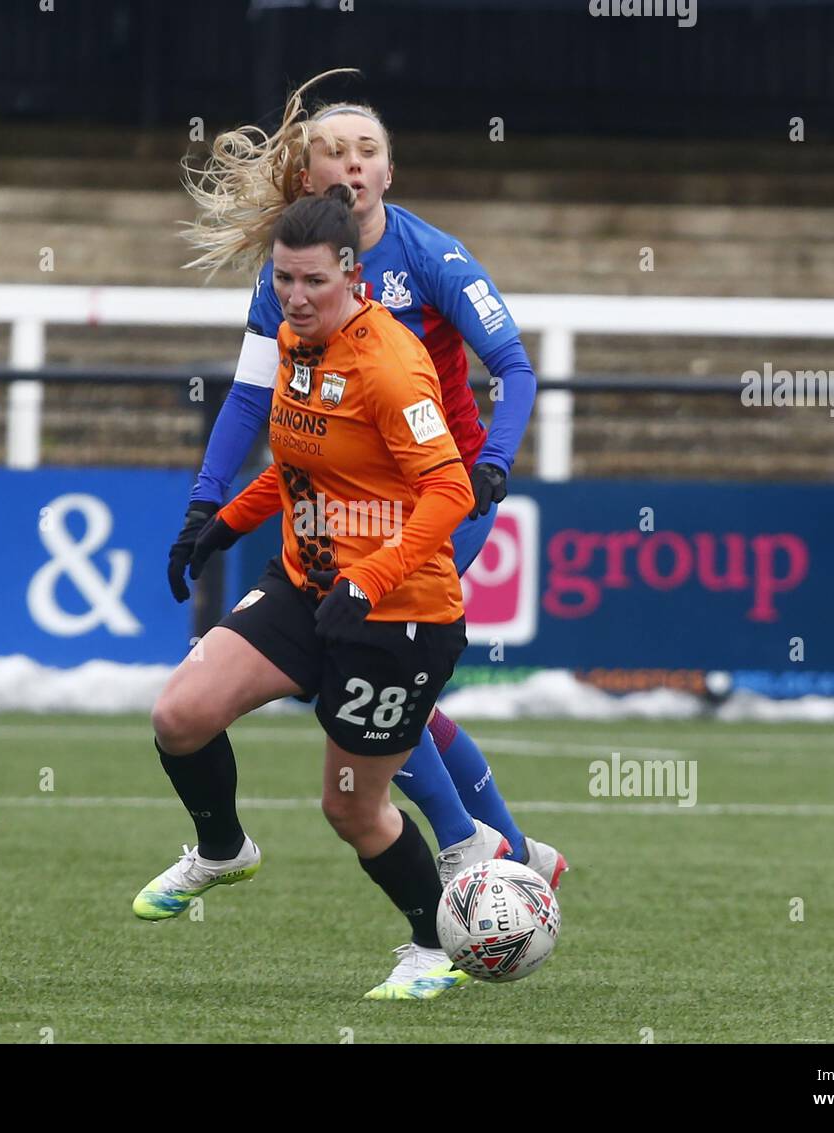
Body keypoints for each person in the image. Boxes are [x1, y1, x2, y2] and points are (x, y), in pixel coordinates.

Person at [168, 69, 567, 889]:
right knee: (375, 687)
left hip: (436, 498)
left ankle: (469, 855)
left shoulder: (432, 257)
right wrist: (210, 500)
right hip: (344, 505)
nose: (350, 164)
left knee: (372, 665)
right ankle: (515, 852)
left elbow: (515, 370)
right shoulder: (295, 271)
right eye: (332, 152)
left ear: (389, 171)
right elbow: (250, 398)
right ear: (306, 175)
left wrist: (494, 459)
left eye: (367, 151)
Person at [136, 186, 476, 1000]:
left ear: (352, 274)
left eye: (313, 281)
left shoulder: (390, 364)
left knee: (351, 808)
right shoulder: (292, 339)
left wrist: (370, 575)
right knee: (179, 717)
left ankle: (435, 944)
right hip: (305, 585)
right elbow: (302, 465)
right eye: (284, 278)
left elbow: (451, 492)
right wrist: (222, 521)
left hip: (398, 613)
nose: (295, 296)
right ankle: (222, 848)